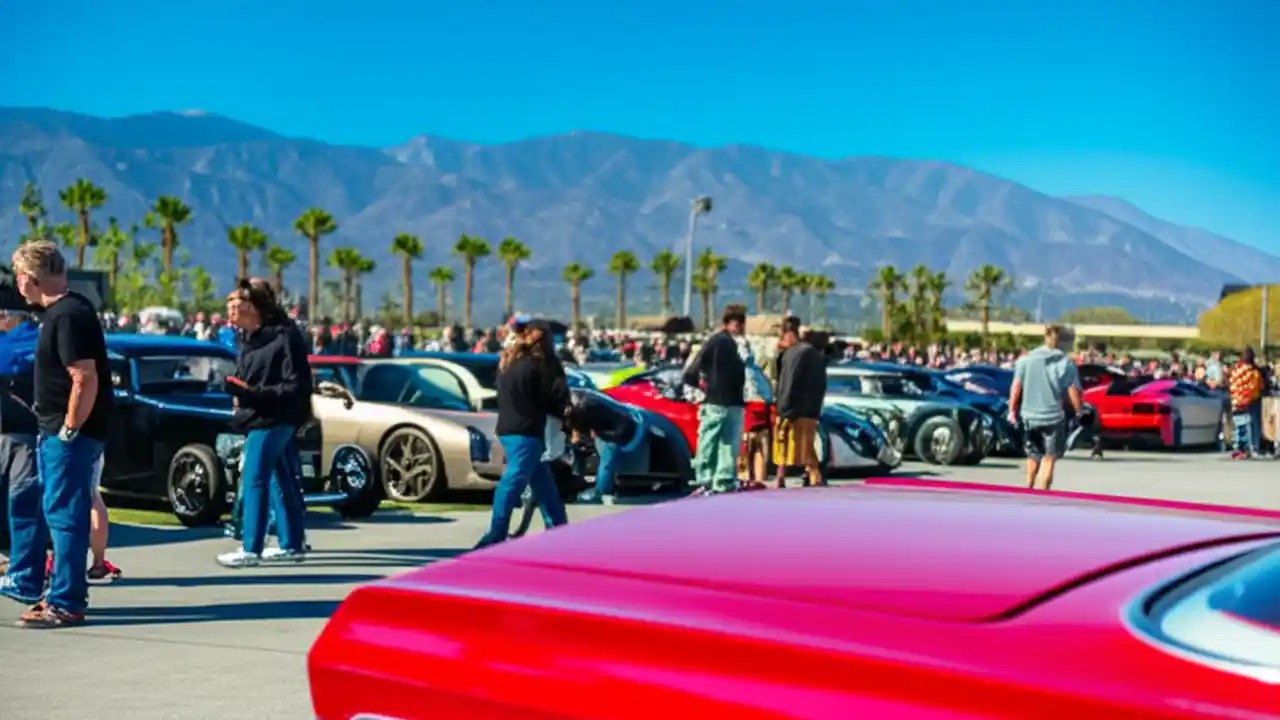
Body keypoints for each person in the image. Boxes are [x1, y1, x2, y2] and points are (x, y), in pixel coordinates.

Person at [4, 242, 111, 628]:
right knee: (59, 511)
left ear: (28, 279)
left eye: (19, 277)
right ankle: (57, 592)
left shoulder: (66, 315)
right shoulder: (65, 311)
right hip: (57, 431)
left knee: (65, 516)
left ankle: (66, 601)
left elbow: (84, 377)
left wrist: (69, 428)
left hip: (69, 436)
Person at [217, 279, 312, 568]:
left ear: (254, 306)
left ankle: (251, 547)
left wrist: (252, 393)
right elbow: (252, 375)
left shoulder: (284, 336)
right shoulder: (250, 338)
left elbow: (296, 385)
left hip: (275, 417)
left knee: (254, 476)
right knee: (278, 478)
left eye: (240, 302)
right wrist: (239, 390)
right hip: (257, 415)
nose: (233, 307)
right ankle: (291, 543)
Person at [475, 320, 570, 548]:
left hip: (508, 428)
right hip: (527, 431)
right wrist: (567, 416)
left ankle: (559, 529)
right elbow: (554, 396)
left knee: (542, 482)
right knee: (513, 480)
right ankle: (495, 534)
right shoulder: (541, 365)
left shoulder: (510, 361)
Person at [1008, 325, 1082, 491]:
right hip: (1053, 416)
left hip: (1029, 416)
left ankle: (1028, 486)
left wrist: (1012, 409)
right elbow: (1072, 391)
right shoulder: (1065, 363)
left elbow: (1016, 387)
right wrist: (1079, 411)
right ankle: (1043, 491)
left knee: (1033, 455)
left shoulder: (1025, 360)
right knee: (1049, 457)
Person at [682, 305, 747, 494]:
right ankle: (719, 480)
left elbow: (694, 367)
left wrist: (696, 387)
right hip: (729, 400)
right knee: (726, 443)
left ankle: (706, 479)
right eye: (737, 323)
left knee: (712, 441)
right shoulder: (727, 344)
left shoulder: (717, 342)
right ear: (727, 324)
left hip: (719, 399)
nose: (740, 327)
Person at [567, 391, 647, 505]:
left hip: (612, 431)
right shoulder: (587, 399)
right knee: (607, 462)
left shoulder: (582, 405)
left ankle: (601, 492)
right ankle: (606, 488)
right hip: (615, 427)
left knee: (606, 462)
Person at [772, 326, 827, 488]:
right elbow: (821, 385)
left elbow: (788, 381)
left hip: (792, 406)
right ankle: (814, 475)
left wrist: (784, 408)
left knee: (784, 442)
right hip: (810, 408)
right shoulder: (816, 355)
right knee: (806, 444)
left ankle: (781, 476)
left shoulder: (793, 354)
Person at [1228, 346, 1265, 460]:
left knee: (1240, 426)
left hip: (1238, 400)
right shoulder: (1253, 371)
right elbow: (1257, 386)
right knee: (1252, 425)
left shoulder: (1236, 369)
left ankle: (1241, 448)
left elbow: (1232, 384)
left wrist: (1236, 397)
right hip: (1250, 400)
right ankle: (1253, 447)